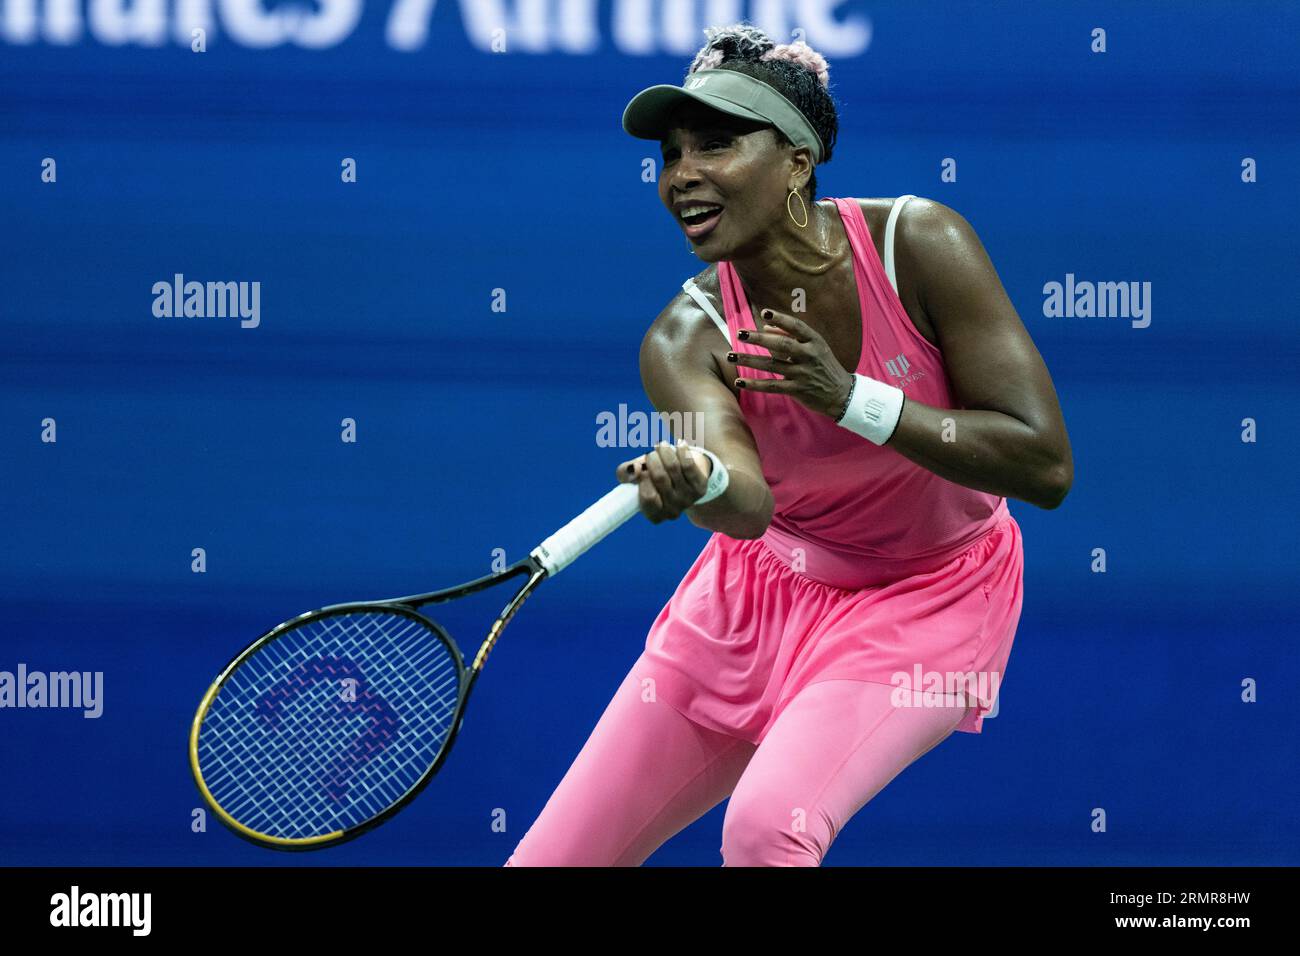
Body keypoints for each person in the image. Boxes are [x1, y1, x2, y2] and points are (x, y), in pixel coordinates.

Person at [505, 22, 1072, 867]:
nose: (682, 176)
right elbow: (747, 501)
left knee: (768, 827)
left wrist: (853, 401)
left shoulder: (919, 244)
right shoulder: (683, 339)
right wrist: (696, 475)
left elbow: (1044, 464)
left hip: (931, 598)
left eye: (717, 144)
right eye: (670, 156)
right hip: (749, 599)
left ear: (799, 160)